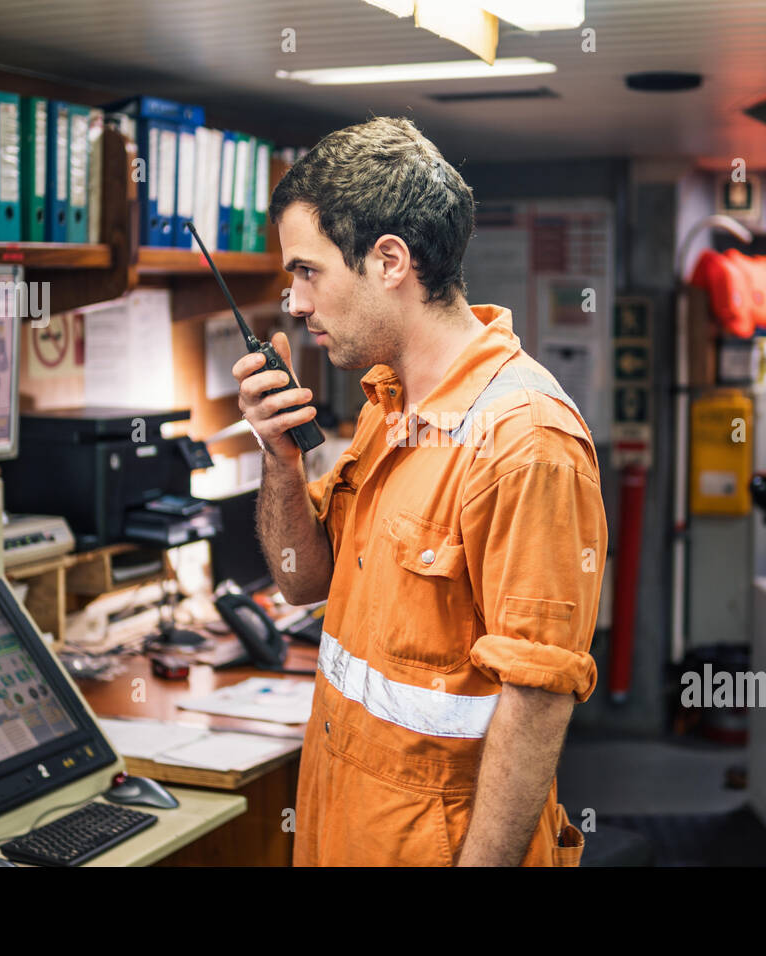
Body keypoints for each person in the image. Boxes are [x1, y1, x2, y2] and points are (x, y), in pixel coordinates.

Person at [232, 116, 607, 866]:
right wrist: (279, 462)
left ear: (390, 261)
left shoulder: (526, 439)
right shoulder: (386, 408)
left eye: (308, 271)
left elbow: (536, 701)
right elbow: (303, 583)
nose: (295, 304)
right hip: (343, 834)